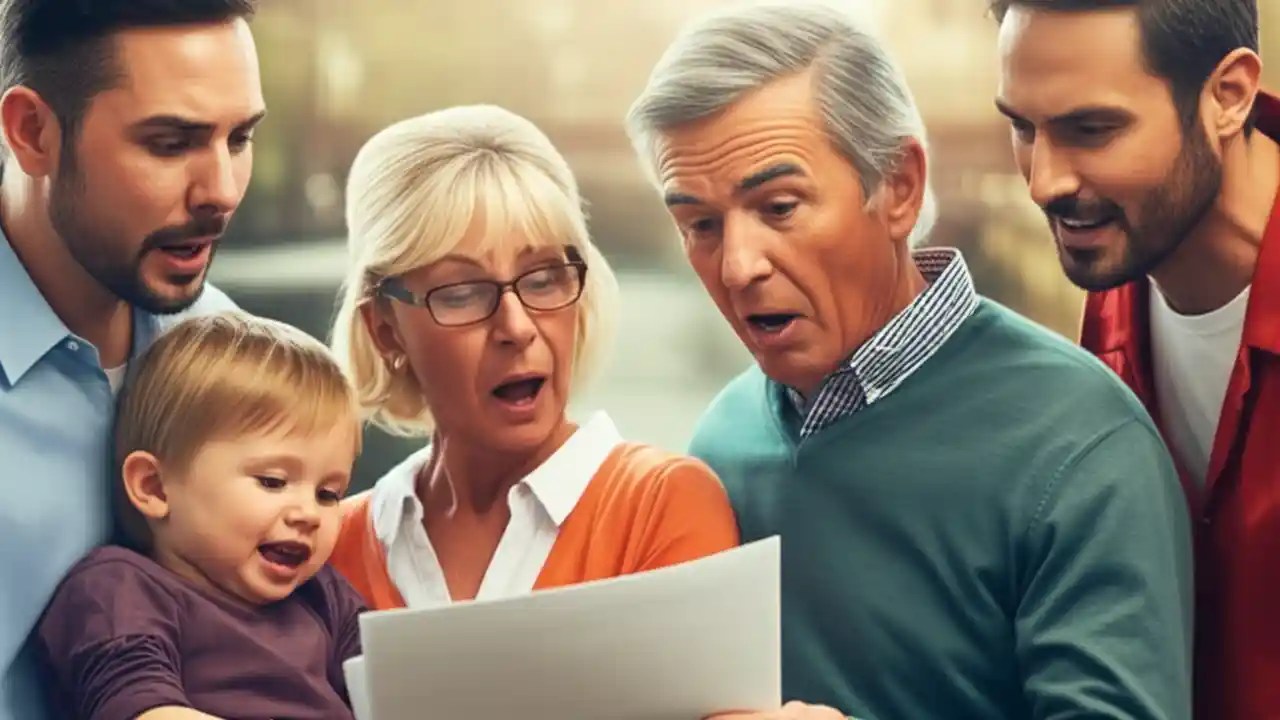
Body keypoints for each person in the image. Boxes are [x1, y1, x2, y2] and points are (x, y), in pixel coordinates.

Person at [626, 3, 1192, 719]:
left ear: (898, 186)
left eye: (779, 208)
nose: (737, 266)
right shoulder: (718, 445)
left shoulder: (1081, 448)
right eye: (701, 224)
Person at [327, 105, 739, 611]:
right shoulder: (327, 548)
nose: (517, 327)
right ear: (385, 330)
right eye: (462, 293)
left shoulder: (661, 506)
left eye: (543, 279)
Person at [991, 1, 1280, 716]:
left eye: (1092, 130)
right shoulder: (1112, 298)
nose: (1044, 182)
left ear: (1228, 96)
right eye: (1023, 128)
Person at [0, 1, 263, 716]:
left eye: (240, 137)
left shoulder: (238, 362)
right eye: (171, 144)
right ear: (33, 133)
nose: (222, 191)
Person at [37, 312, 365, 719]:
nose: (309, 514)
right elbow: (148, 712)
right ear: (155, 487)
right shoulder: (118, 590)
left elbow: (396, 690)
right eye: (273, 481)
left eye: (328, 494)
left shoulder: (324, 596)